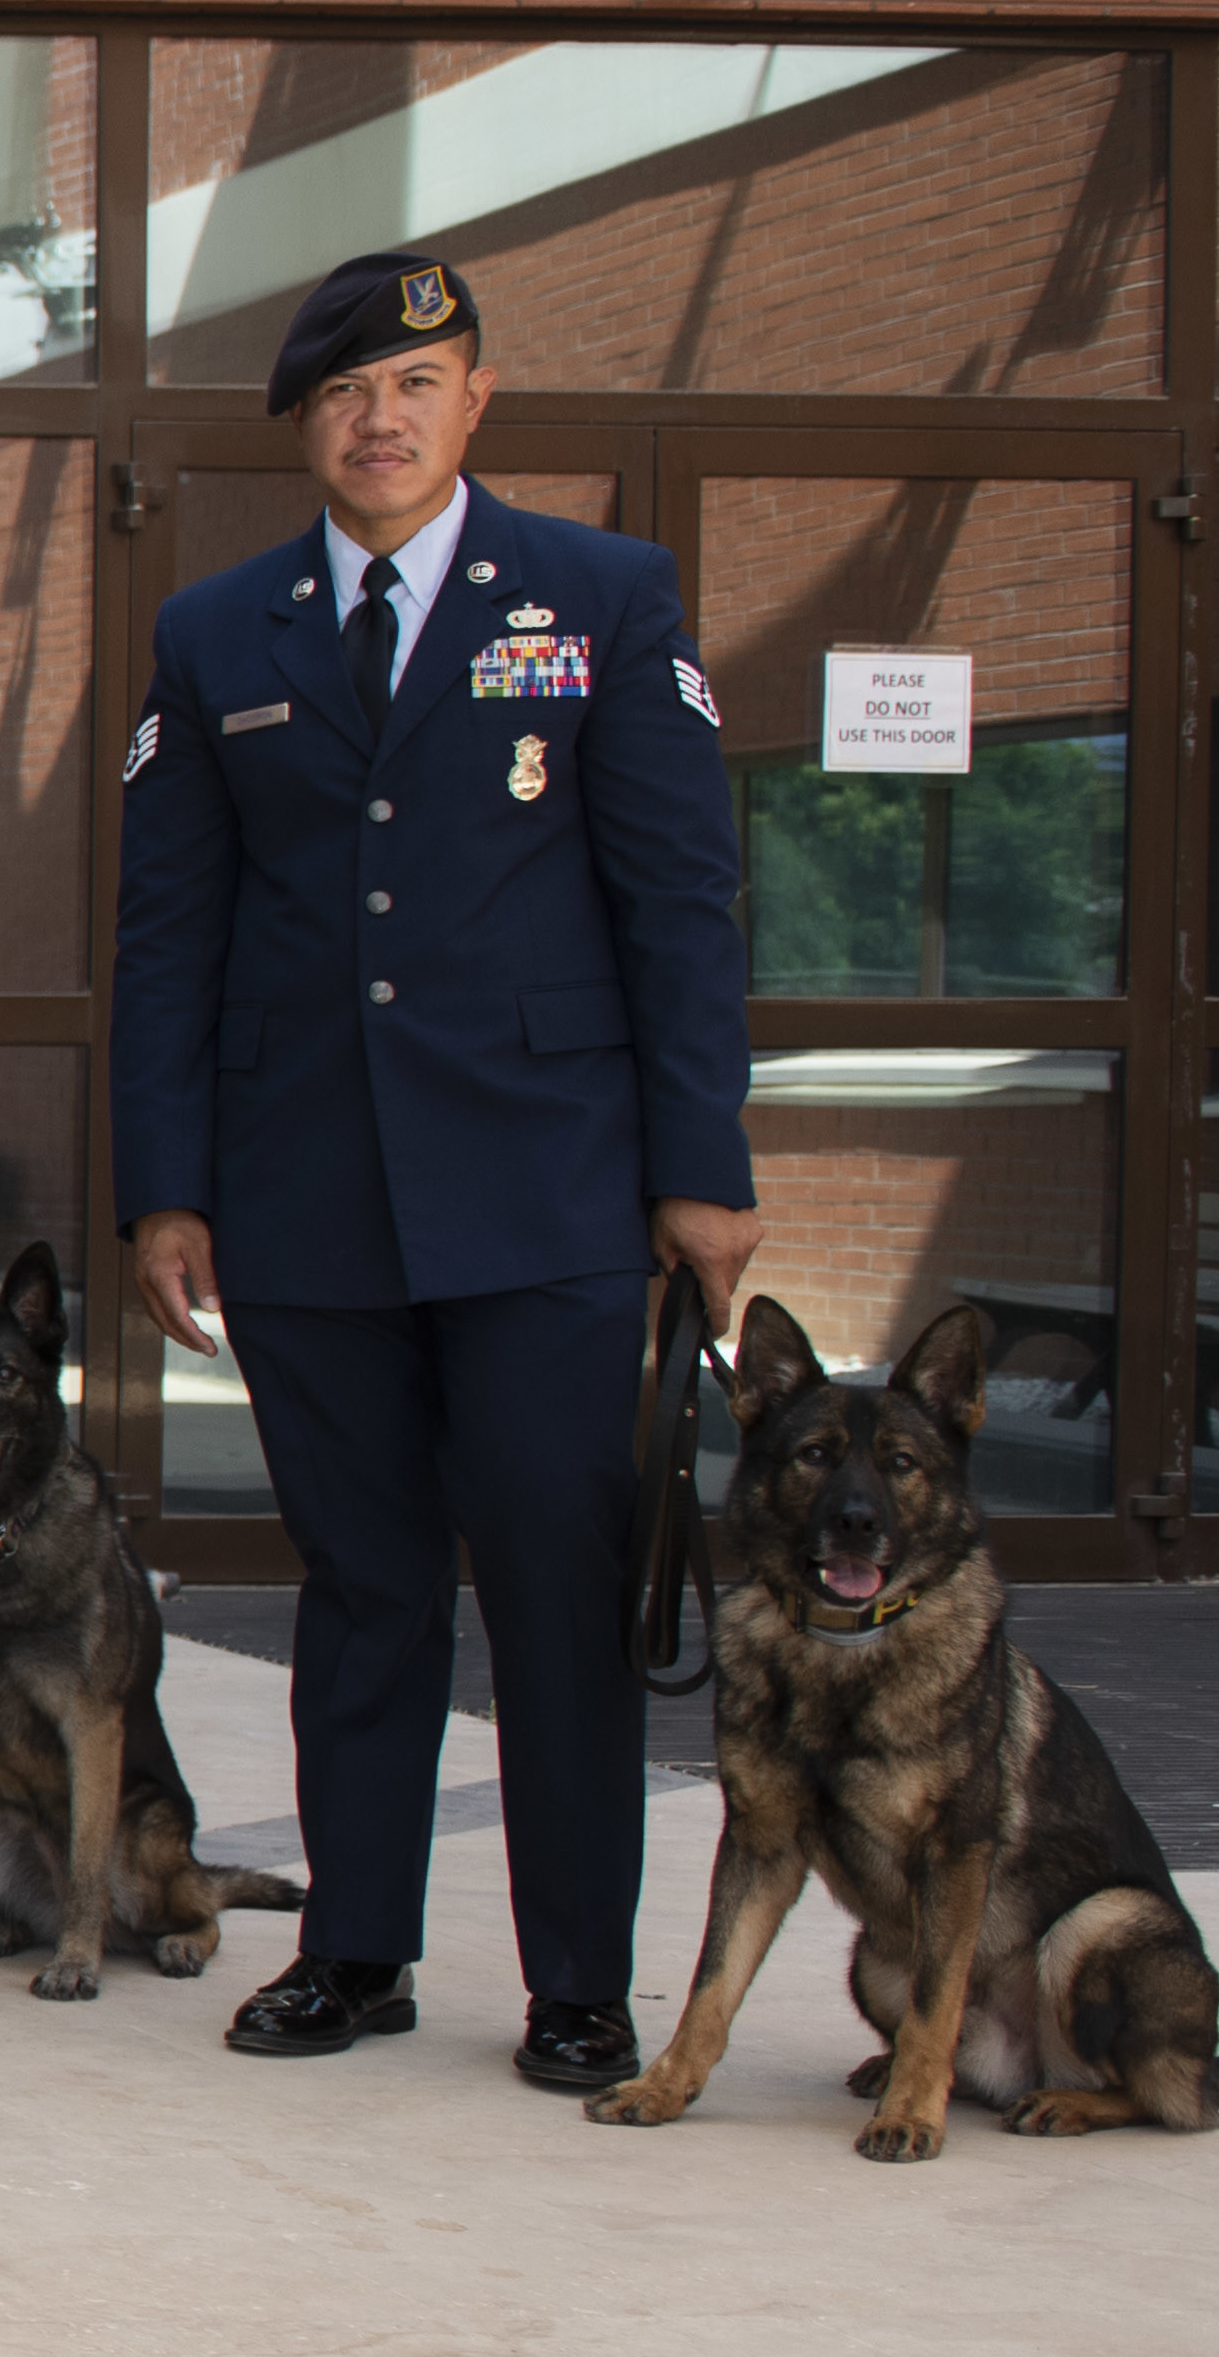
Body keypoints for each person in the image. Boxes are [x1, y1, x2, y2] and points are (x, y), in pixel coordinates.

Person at [114, 249, 752, 2086]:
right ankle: (359, 1950)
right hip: (308, 1191)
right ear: (301, 428)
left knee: (555, 1586)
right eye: (340, 395)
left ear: (476, 400)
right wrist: (167, 1182)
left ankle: (574, 1984)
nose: (377, 420)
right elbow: (170, 930)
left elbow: (679, 901)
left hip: (544, 1188)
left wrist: (697, 1167)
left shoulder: (603, 599)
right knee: (366, 1583)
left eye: (415, 385)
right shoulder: (217, 635)